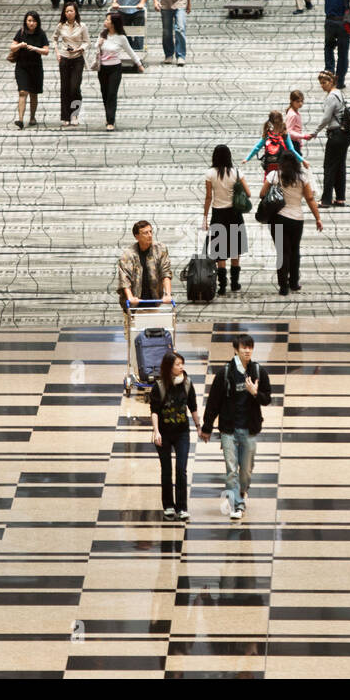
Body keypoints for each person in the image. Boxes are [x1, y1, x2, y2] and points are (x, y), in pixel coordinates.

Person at [200, 334, 273, 521]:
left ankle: (242, 491)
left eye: (250, 347)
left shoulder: (258, 371)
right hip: (228, 430)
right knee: (231, 469)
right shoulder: (225, 373)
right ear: (236, 349)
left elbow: (267, 399)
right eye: (243, 347)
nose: (247, 350)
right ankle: (238, 505)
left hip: (249, 429)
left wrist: (255, 393)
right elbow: (213, 402)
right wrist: (207, 427)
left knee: (246, 470)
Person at [262, 152, 324, 295]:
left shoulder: (274, 175)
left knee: (282, 253)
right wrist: (318, 218)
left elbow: (262, 193)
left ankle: (283, 287)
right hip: (297, 219)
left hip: (277, 219)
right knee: (294, 251)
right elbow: (309, 199)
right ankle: (294, 283)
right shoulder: (302, 177)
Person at [151, 351, 201, 520]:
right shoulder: (159, 386)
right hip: (163, 433)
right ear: (169, 367)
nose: (181, 367)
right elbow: (154, 411)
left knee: (181, 469)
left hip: (182, 433)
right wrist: (156, 431)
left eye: (182, 364)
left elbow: (193, 407)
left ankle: (182, 507)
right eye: (177, 364)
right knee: (166, 470)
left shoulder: (187, 383)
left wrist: (199, 427)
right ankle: (168, 506)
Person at [203, 145, 248, 296]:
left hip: (218, 215)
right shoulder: (236, 172)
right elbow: (248, 192)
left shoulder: (210, 173)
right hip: (234, 214)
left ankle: (222, 286)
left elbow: (209, 197)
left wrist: (205, 218)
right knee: (235, 249)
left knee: (219, 251)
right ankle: (235, 284)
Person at [96, 11, 145, 131]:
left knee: (112, 94)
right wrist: (98, 43)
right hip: (102, 68)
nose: (105, 22)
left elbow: (130, 51)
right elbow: (95, 48)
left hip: (115, 69)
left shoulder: (121, 38)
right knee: (105, 94)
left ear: (113, 23)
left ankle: (111, 121)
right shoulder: (102, 34)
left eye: (108, 20)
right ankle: (108, 116)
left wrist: (139, 64)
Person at [117, 220, 173, 310]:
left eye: (151, 231)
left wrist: (168, 294)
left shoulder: (160, 249)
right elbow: (124, 278)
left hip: (153, 298)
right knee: (134, 323)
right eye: (145, 233)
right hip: (134, 300)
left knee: (153, 322)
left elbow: (165, 272)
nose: (150, 235)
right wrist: (130, 297)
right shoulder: (128, 255)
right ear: (137, 236)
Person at [9, 10, 50, 129]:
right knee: (22, 92)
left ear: (37, 22)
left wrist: (35, 48)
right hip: (22, 67)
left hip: (36, 67)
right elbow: (12, 47)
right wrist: (20, 45)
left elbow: (46, 51)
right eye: (29, 21)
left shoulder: (41, 34)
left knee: (33, 94)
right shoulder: (21, 33)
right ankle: (20, 119)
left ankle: (32, 117)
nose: (31, 23)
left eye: (34, 21)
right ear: (25, 21)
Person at [314, 70, 349, 207]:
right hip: (345, 134)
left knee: (329, 167)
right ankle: (340, 198)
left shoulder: (331, 97)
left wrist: (315, 132)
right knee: (340, 166)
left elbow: (326, 118)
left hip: (336, 134)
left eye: (325, 82)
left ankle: (326, 200)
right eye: (321, 83)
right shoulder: (340, 93)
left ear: (332, 81)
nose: (322, 85)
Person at [53, 1, 89, 127]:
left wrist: (79, 49)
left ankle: (75, 113)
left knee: (75, 87)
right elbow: (54, 38)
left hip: (77, 58)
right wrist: (57, 52)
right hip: (64, 57)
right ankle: (65, 115)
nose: (69, 13)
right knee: (65, 87)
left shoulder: (82, 26)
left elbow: (87, 42)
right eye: (67, 11)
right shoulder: (61, 26)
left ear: (75, 12)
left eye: (71, 11)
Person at [244, 111, 306, 178]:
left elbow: (257, 147)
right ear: (281, 120)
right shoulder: (284, 134)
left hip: (270, 166)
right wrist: (302, 160)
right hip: (282, 166)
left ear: (270, 122)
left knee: (267, 183)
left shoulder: (268, 134)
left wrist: (247, 158)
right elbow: (291, 150)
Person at [284, 90, 313, 158]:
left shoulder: (295, 113)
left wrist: (300, 141)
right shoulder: (293, 114)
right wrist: (303, 136)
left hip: (295, 143)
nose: (300, 104)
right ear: (292, 101)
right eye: (298, 101)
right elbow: (289, 131)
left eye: (302, 101)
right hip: (292, 143)